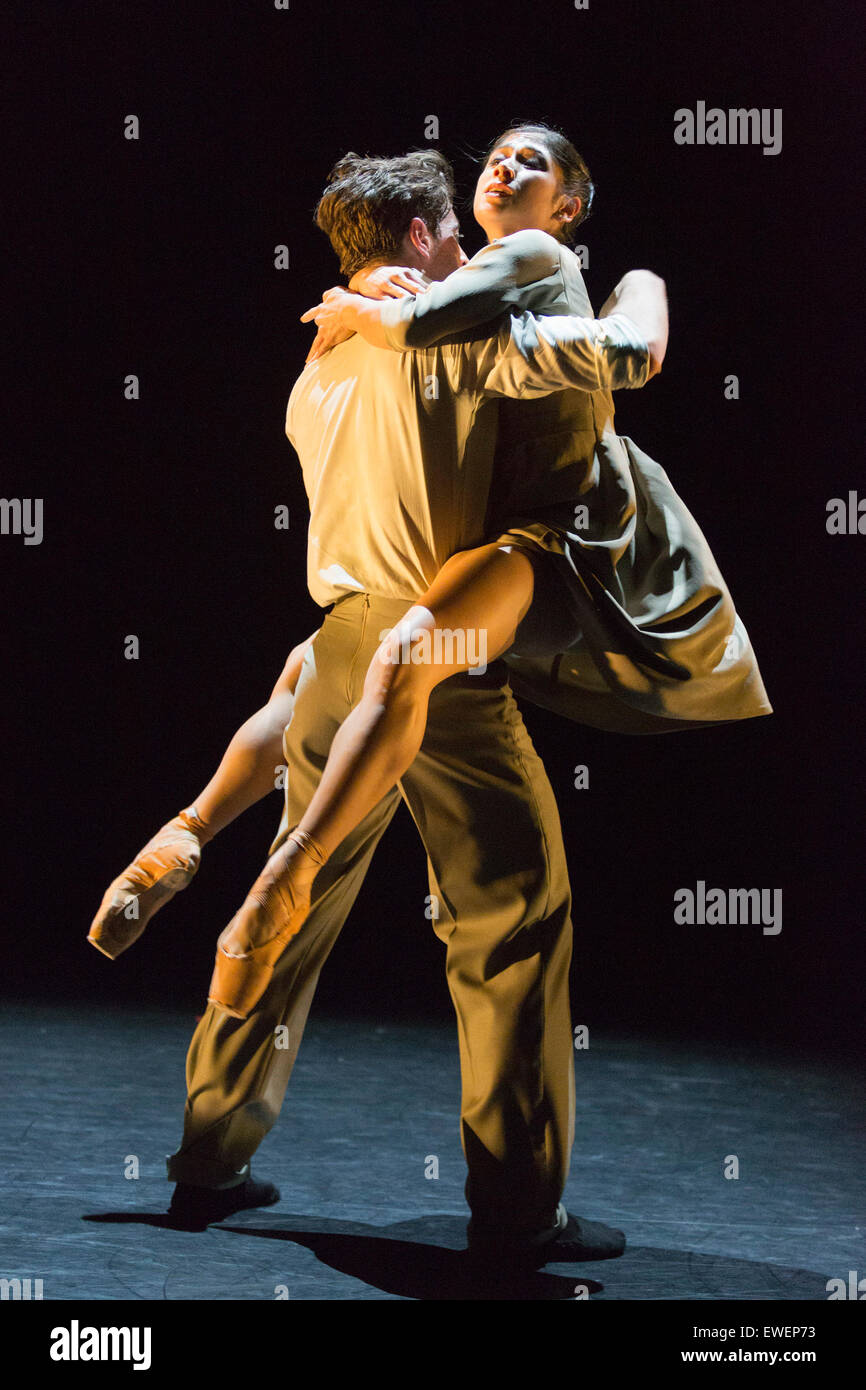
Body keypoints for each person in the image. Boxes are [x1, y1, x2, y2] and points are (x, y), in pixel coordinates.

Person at [88, 123, 769, 967]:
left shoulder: (390, 329)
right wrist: (390, 309)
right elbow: (489, 350)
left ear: (570, 206)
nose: (504, 167)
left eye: (534, 162)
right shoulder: (449, 313)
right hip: (493, 558)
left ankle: (204, 836)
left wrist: (368, 304)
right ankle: (248, 861)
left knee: (331, 672)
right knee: (347, 679)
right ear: (425, 232)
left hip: (525, 550)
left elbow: (595, 349)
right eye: (496, 158)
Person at [156, 147, 664, 1257]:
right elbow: (609, 365)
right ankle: (521, 1210)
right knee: (510, 925)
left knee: (296, 914)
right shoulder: (454, 334)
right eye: (456, 235)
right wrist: (633, 294)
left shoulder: (319, 362)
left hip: (337, 643)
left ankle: (207, 1159)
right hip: (438, 649)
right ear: (430, 237)